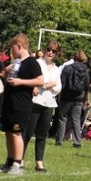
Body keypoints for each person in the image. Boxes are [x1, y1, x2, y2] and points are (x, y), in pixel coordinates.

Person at [0, 34, 43, 174]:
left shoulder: (32, 62)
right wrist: (7, 72)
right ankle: (10, 160)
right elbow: (7, 75)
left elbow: (40, 81)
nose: (11, 52)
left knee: (16, 132)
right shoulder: (17, 63)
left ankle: (18, 164)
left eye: (13, 49)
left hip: (21, 103)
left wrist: (21, 82)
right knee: (8, 132)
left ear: (19, 47)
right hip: (9, 101)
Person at [27, 42, 61, 172]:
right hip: (36, 101)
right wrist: (46, 85)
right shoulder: (37, 63)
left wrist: (46, 86)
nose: (51, 53)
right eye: (49, 50)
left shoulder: (56, 69)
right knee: (28, 132)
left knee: (42, 134)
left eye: (54, 51)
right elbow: (34, 80)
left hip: (49, 103)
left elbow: (58, 87)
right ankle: (19, 160)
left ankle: (39, 163)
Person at [56, 50, 90, 147]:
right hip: (79, 98)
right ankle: (77, 142)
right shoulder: (86, 71)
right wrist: (86, 99)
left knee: (62, 118)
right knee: (76, 119)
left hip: (66, 97)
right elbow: (87, 87)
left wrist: (59, 95)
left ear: (73, 58)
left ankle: (59, 140)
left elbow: (62, 84)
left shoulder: (67, 68)